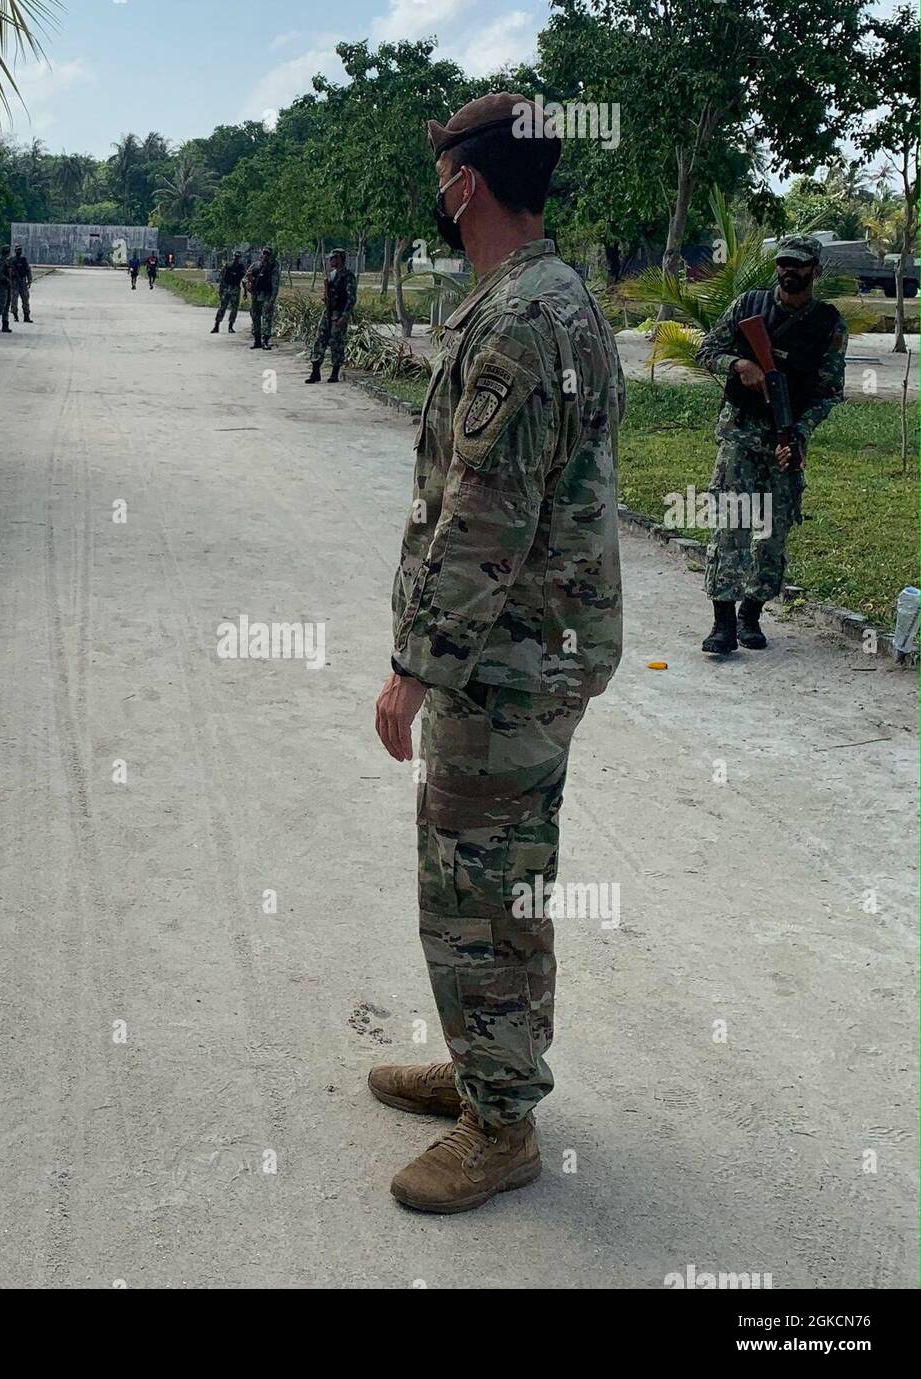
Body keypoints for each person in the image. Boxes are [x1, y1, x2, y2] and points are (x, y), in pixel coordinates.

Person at [371, 93, 624, 1215]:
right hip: (528, 651)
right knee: (486, 872)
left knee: (480, 887)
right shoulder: (543, 297)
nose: (437, 193)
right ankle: (485, 1068)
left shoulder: (524, 318)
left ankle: (502, 1121)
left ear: (467, 182)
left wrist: (414, 662)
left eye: (441, 175)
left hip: (507, 660)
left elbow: (484, 512)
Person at [695, 235, 847, 653]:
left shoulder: (828, 324)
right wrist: (738, 363)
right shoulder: (747, 306)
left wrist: (797, 433)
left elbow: (829, 391)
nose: (788, 272)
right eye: (783, 264)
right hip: (740, 435)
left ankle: (751, 614)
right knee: (731, 525)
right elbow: (707, 350)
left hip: (787, 438)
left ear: (815, 270)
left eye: (798, 265)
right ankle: (722, 622)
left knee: (774, 532)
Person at [304, 249, 355, 382]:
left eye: (333, 258)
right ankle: (315, 371)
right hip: (328, 311)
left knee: (336, 342)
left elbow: (351, 298)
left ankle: (334, 373)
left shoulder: (347, 276)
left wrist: (345, 316)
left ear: (339, 259)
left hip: (339, 313)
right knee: (319, 339)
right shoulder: (332, 275)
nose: (330, 261)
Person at [246, 248, 280, 350]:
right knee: (255, 318)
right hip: (256, 296)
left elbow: (275, 285)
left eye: (267, 254)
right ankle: (257, 341)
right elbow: (246, 278)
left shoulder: (273, 268)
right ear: (261, 254)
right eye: (264, 253)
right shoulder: (255, 265)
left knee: (267, 319)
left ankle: (265, 341)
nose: (265, 256)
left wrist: (271, 301)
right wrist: (249, 285)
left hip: (267, 296)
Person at [211, 252, 244, 333]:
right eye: (235, 256)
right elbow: (222, 278)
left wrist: (245, 291)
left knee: (234, 309)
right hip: (227, 288)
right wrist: (221, 290)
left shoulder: (241, 267)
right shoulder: (228, 266)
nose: (236, 258)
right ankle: (216, 325)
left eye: (238, 257)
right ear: (233, 257)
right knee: (222, 307)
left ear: (240, 258)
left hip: (235, 289)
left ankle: (230, 326)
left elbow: (243, 279)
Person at [0, 247, 13, 332]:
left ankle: (5, 325)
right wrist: (7, 280)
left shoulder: (7, 261)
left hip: (7, 286)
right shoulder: (1, 261)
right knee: (1, 305)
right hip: (2, 286)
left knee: (7, 305)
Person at [11, 244, 33, 322]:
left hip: (23, 282)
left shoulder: (24, 260)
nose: (19, 251)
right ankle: (15, 315)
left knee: (25, 300)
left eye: (20, 250)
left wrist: (29, 280)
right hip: (15, 283)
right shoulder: (12, 261)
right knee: (14, 300)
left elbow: (28, 270)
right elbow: (9, 272)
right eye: (17, 250)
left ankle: (26, 316)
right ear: (15, 251)